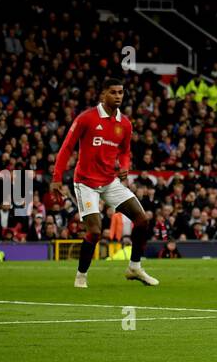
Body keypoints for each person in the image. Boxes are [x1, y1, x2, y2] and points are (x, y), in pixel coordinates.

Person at [51, 77, 159, 288]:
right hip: (86, 182)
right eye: (113, 92)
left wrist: (125, 165)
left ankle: (134, 267)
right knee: (95, 231)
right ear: (103, 95)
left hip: (110, 181)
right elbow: (66, 148)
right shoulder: (86, 118)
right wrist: (56, 178)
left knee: (142, 219)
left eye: (121, 92)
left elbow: (125, 151)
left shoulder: (125, 124)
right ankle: (81, 275)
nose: (118, 96)